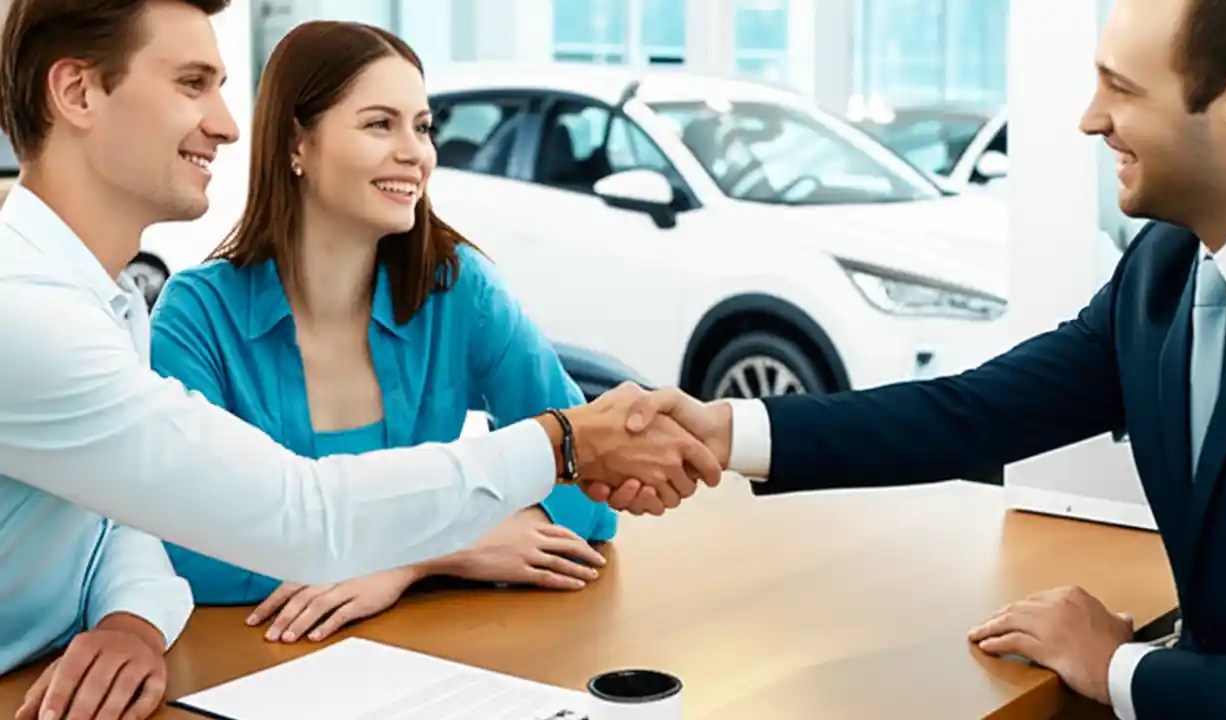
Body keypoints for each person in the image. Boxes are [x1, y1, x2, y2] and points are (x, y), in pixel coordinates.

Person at [0, 1, 717, 718]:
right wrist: (562, 444)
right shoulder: (32, 315)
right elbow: (282, 520)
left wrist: (131, 621)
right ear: (78, 93)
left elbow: (119, 518)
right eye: (193, 83)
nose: (225, 123)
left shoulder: (106, 302)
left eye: (423, 126)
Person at [612, 0, 1226, 716]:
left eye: (1122, 89)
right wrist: (723, 431)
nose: (1090, 118)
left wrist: (1122, 670)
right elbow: (974, 413)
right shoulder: (1165, 268)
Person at [149, 20, 617, 643]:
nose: (417, 152)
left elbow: (589, 476)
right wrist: (446, 542)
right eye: (379, 124)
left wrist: (414, 564)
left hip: (435, 654)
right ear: (297, 143)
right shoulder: (197, 316)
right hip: (259, 664)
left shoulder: (456, 287)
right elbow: (180, 550)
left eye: (421, 126)